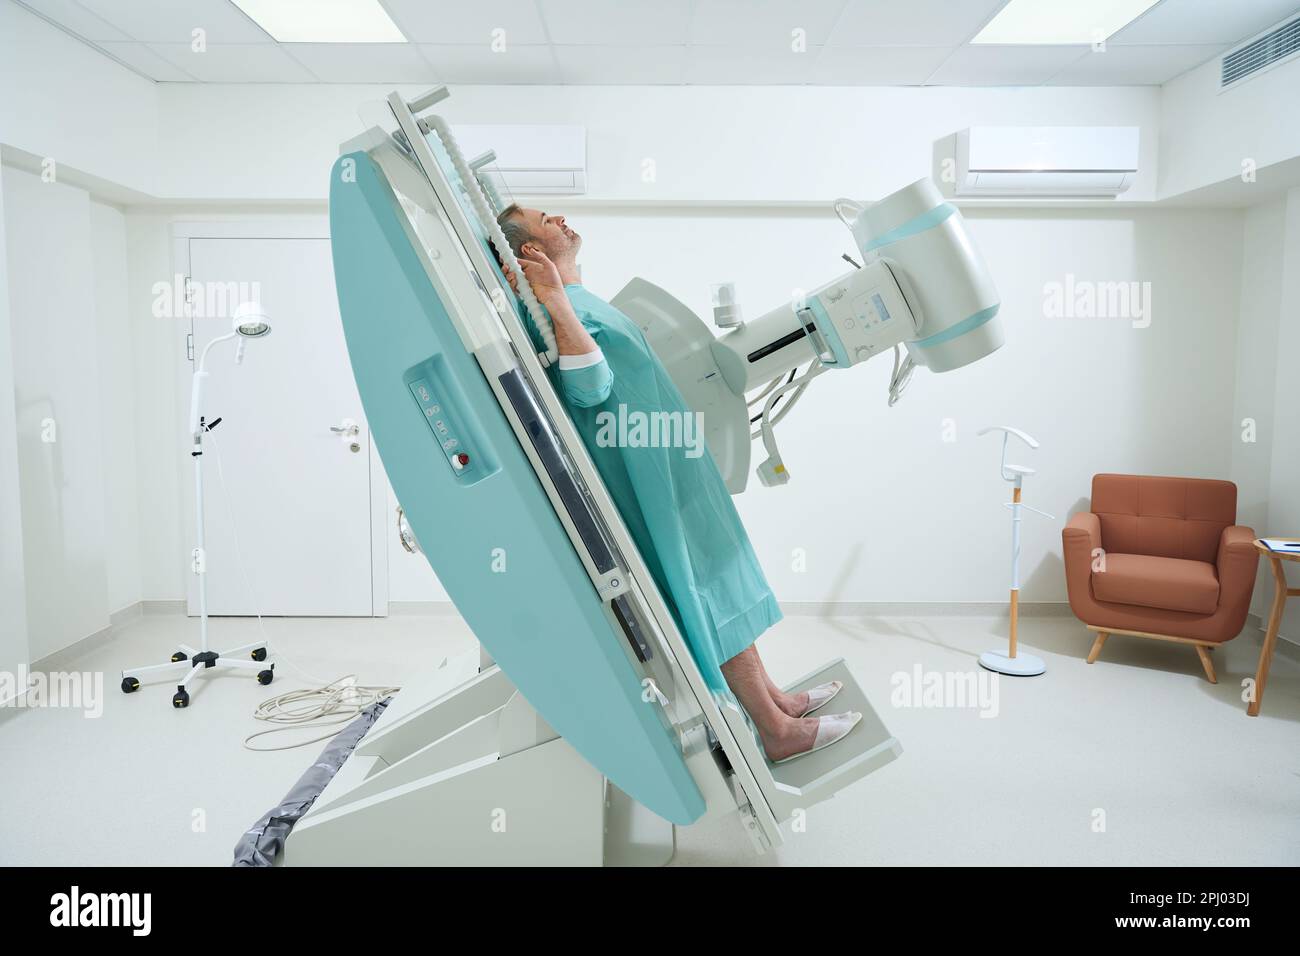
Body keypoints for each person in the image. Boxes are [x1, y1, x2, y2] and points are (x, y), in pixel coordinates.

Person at [493, 203, 861, 763]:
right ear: (531, 252)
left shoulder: (582, 299)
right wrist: (553, 297)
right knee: (708, 594)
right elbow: (589, 387)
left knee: (726, 581)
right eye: (546, 219)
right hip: (645, 482)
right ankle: (773, 731)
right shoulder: (550, 310)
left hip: (671, 463)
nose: (561, 219)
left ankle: (775, 701)